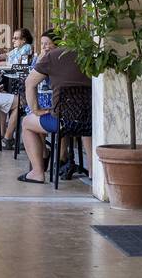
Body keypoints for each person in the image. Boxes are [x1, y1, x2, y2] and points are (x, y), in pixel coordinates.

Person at [17, 29, 92, 184]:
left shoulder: (53, 56)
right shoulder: (90, 56)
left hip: (62, 120)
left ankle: (37, 172)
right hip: (90, 119)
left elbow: (29, 83)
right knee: (85, 123)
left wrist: (36, 110)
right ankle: (92, 170)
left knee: (26, 123)